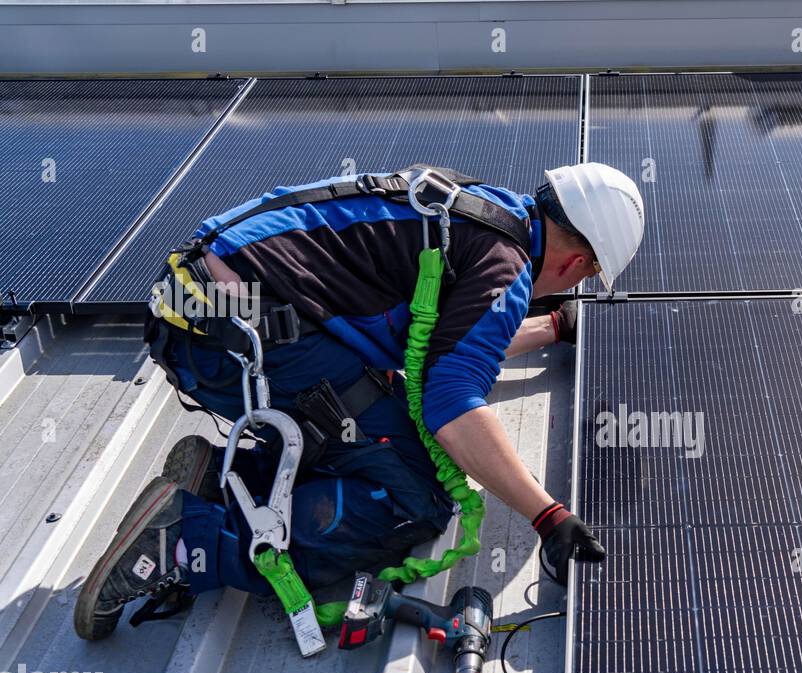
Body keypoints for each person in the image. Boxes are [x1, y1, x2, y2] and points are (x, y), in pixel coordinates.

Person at [74, 162, 644, 641]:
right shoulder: (505, 264)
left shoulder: (477, 213)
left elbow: (443, 343)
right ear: (577, 265)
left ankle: (227, 479)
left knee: (386, 413)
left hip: (197, 315)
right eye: (585, 278)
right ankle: (185, 542)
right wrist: (549, 515)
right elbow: (450, 397)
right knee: (416, 495)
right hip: (240, 344)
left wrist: (549, 329)